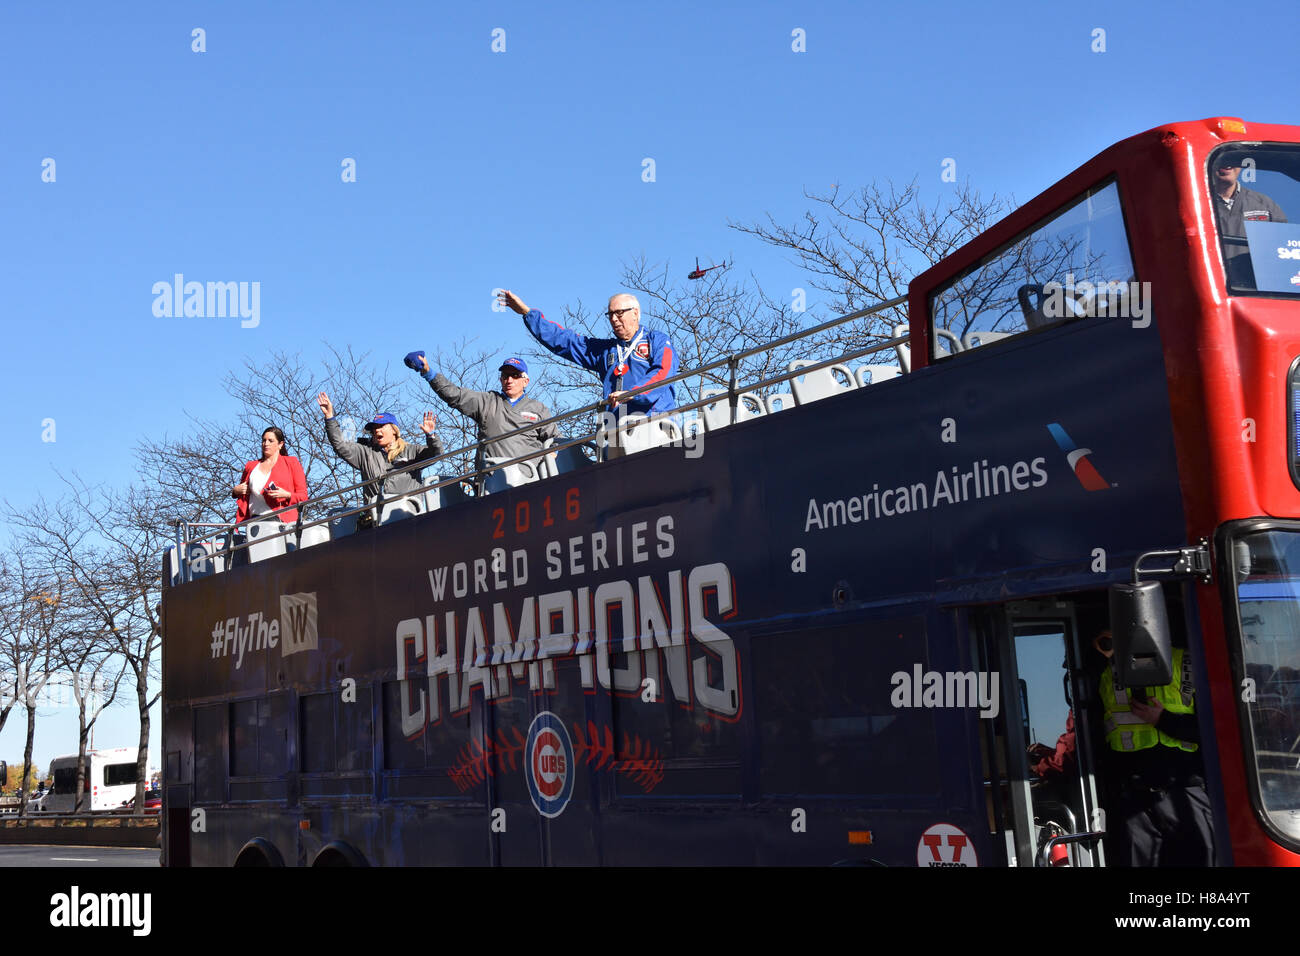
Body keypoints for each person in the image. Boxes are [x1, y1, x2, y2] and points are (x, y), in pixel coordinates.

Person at [1093, 629, 1214, 866]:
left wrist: (1163, 720)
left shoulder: (1190, 661)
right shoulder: (1104, 670)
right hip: (1133, 798)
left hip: (1185, 791)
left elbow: (1218, 728)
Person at [498, 289, 677, 416]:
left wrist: (631, 393)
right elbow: (564, 341)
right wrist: (528, 313)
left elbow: (663, 373)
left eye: (619, 313)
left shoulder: (657, 340)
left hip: (652, 422)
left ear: (636, 313)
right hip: (616, 429)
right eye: (610, 314)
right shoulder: (606, 350)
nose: (614, 319)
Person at [402, 351, 558, 463]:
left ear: (526, 381)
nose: (509, 380)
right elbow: (454, 394)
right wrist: (428, 372)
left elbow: (555, 441)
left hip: (530, 481)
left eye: (515, 375)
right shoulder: (487, 401)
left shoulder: (539, 409)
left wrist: (547, 463)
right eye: (505, 376)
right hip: (492, 482)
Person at [317, 391, 444, 509]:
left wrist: (431, 436)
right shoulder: (365, 453)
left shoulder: (412, 450)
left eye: (382, 426)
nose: (377, 430)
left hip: (408, 516)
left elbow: (436, 453)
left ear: (394, 430)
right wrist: (329, 417)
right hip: (376, 519)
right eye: (374, 428)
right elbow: (340, 445)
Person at [1211, 154, 1287, 287]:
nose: (1227, 164)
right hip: (1212, 289)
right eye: (1221, 159)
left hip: (1256, 294)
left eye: (1232, 158)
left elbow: (1285, 255)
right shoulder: (1194, 203)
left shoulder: (1266, 205)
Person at [232, 426, 309, 524]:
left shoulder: (291, 462)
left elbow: (303, 497)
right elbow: (242, 492)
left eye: (270, 441)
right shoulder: (250, 466)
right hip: (254, 521)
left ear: (280, 444)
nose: (266, 444)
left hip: (281, 520)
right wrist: (235, 491)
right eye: (264, 440)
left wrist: (286, 495)